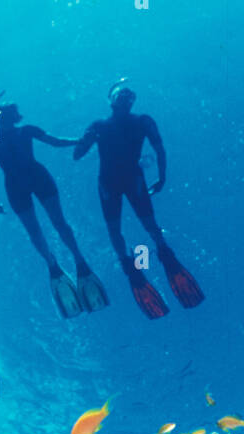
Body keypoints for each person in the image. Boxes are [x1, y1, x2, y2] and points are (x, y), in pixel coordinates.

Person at [73, 80, 204, 320]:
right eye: (123, 95)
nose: (125, 99)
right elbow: (160, 150)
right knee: (145, 225)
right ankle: (158, 252)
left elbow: (77, 155)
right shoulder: (141, 121)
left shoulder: (104, 125)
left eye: (127, 96)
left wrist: (86, 140)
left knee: (121, 230)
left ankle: (132, 261)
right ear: (114, 100)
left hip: (112, 183)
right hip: (129, 180)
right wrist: (162, 177)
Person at [0, 95, 108, 318]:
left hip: (30, 181)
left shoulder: (10, 137)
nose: (7, 119)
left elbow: (55, 141)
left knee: (53, 226)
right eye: (4, 116)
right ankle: (58, 263)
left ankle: (69, 261)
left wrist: (78, 141)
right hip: (28, 182)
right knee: (44, 228)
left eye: (8, 115)